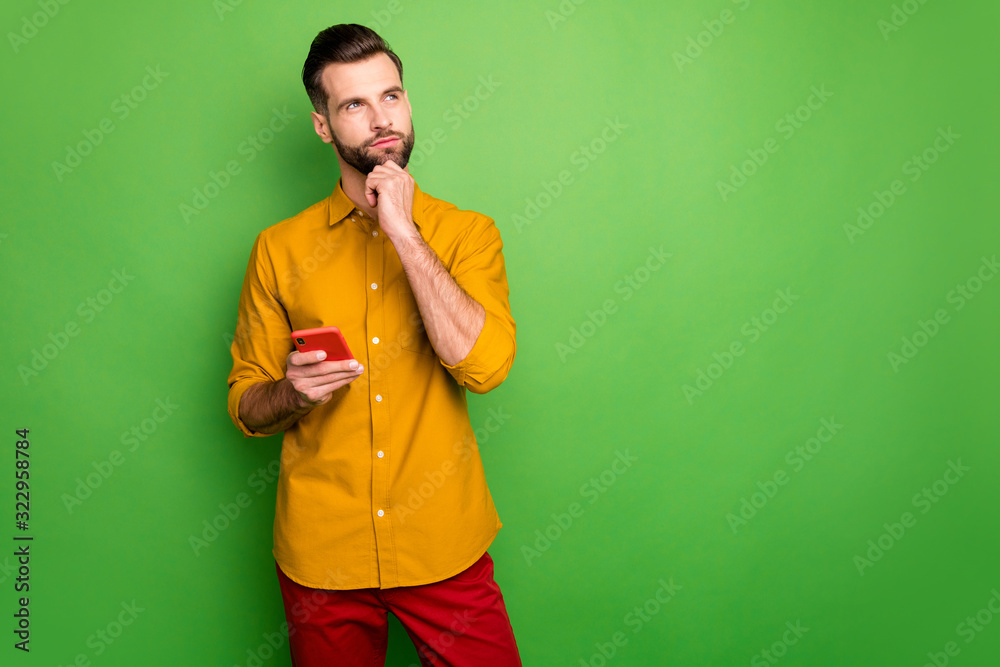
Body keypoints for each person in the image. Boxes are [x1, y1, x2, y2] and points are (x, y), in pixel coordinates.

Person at [225, 23, 522, 666]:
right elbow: (245, 405)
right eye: (354, 104)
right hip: (322, 557)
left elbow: (485, 367)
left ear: (408, 102)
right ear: (323, 126)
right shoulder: (278, 249)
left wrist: (405, 234)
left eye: (391, 96)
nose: (381, 118)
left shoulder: (468, 234)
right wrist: (292, 393)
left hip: (443, 544)